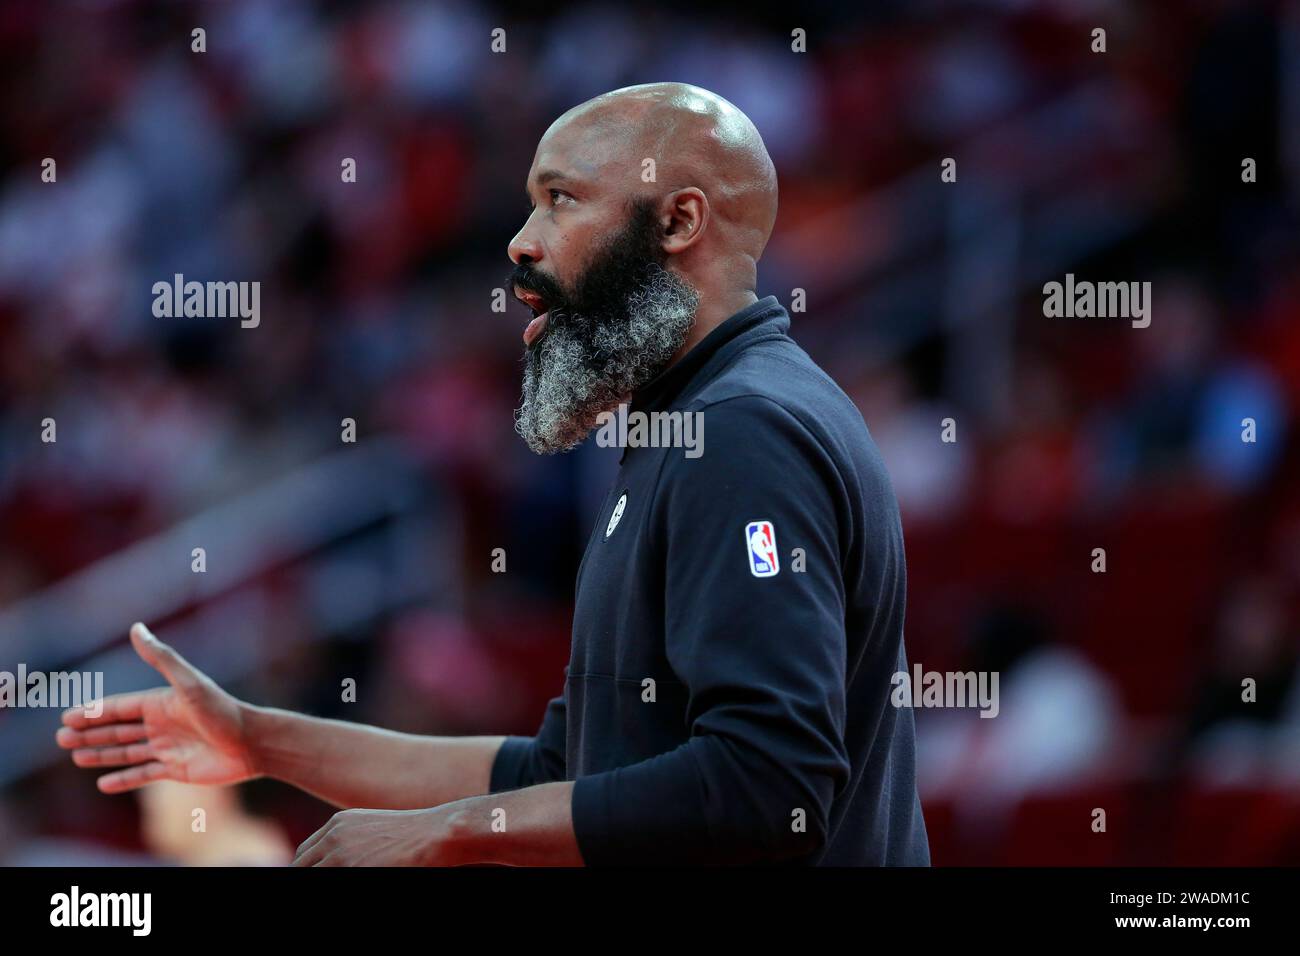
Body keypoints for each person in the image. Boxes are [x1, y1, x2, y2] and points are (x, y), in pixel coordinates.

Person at [57, 82, 930, 866]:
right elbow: (559, 770)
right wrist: (258, 736)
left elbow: (768, 789)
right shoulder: (689, 424)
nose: (519, 244)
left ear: (678, 222)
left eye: (560, 200)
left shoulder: (744, 432)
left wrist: (454, 830)